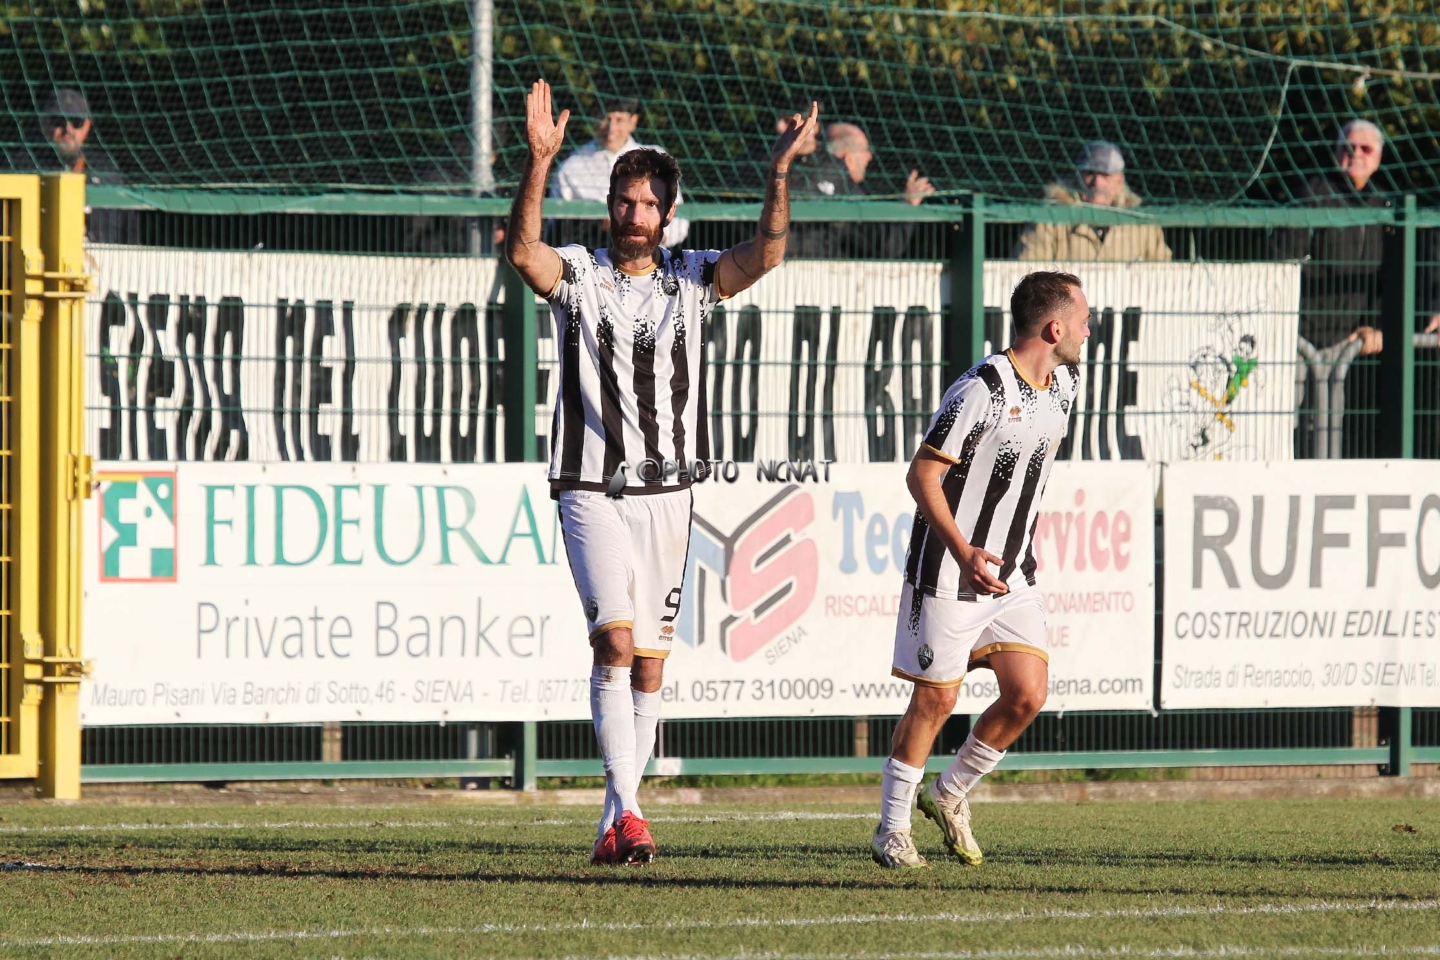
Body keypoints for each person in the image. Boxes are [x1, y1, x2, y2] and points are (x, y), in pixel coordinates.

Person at [506, 79, 818, 865]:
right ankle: (635, 812)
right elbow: (522, 253)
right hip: (591, 490)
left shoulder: (694, 277)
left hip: (671, 494)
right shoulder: (578, 273)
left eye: (648, 205)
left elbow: (770, 252)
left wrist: (778, 173)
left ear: (667, 216)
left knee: (648, 662)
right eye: (623, 200)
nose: (634, 215)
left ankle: (616, 823)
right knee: (612, 644)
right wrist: (540, 162)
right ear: (609, 204)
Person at [871, 271, 1088, 869]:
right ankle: (891, 830)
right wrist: (964, 551)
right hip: (949, 569)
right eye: (1083, 320)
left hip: (1013, 573)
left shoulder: (1066, 383)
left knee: (1027, 693)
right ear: (1054, 327)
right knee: (935, 702)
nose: (1088, 330)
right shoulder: (981, 389)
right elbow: (922, 474)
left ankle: (951, 792)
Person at [1272, 120, 1440, 355]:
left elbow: (1390, 277)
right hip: (1298, 336)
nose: (1356, 154)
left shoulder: (1384, 205)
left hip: (1348, 339)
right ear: (1337, 152)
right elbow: (1282, 261)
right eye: (1348, 148)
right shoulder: (1310, 196)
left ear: (1378, 158)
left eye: (1366, 149)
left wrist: (1373, 326)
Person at [551, 96, 689, 249]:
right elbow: (556, 227)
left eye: (619, 120)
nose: (611, 128)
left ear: (633, 122)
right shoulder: (570, 167)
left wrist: (644, 236)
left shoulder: (657, 159)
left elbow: (679, 223)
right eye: (605, 118)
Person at [1014, 141, 1170, 262]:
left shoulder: (1143, 224)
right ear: (1077, 176)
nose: (1097, 183)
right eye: (1090, 173)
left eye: (1105, 174)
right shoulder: (1050, 220)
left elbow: (1164, 276)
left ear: (1120, 180)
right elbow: (1028, 272)